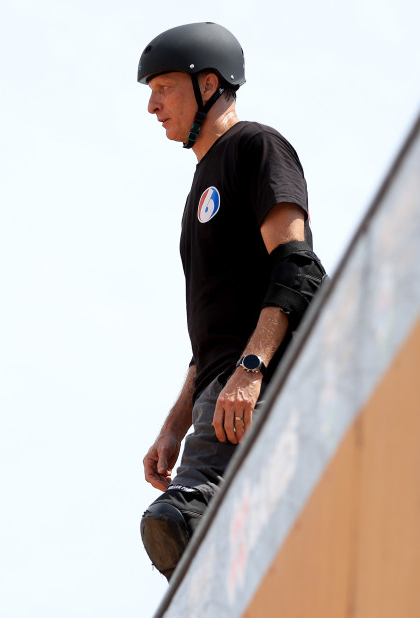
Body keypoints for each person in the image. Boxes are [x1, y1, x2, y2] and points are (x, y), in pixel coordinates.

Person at [136, 22, 326, 581]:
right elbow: (210, 336)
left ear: (209, 84)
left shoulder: (255, 147)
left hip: (265, 378)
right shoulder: (198, 189)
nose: (152, 105)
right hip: (221, 393)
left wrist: (252, 367)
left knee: (180, 524)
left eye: (163, 88)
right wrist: (174, 424)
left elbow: (298, 266)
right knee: (205, 548)